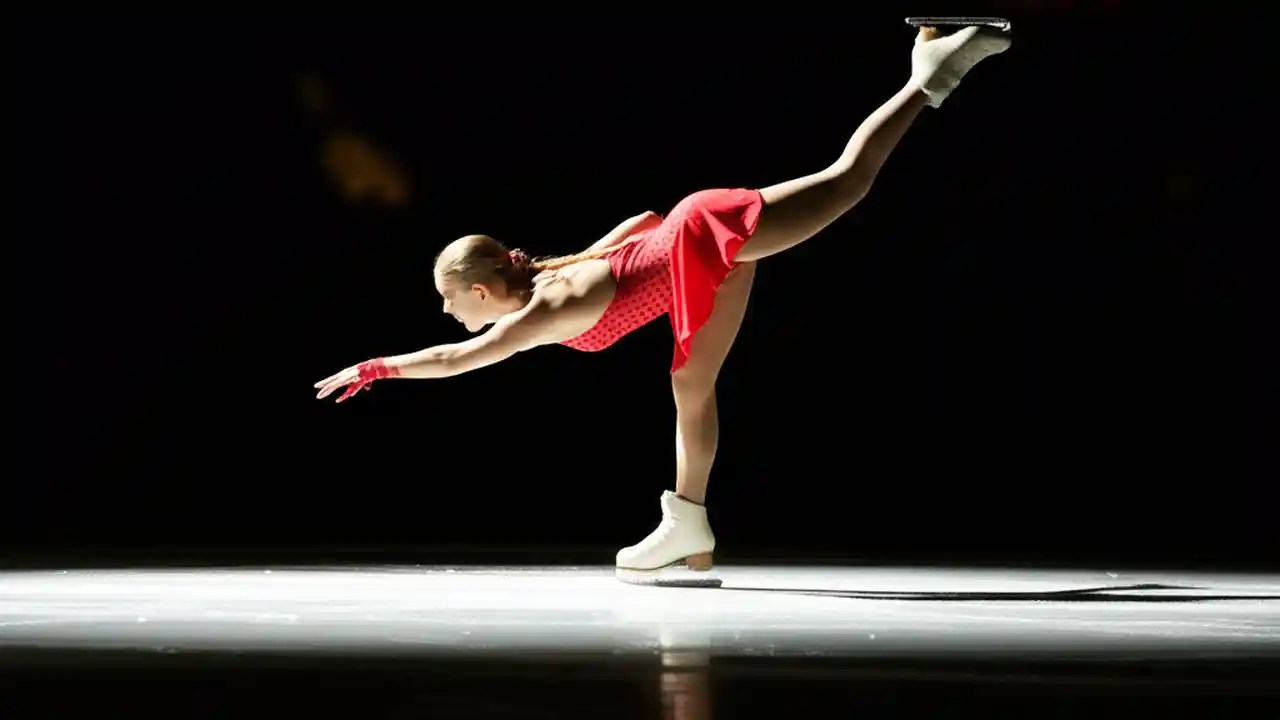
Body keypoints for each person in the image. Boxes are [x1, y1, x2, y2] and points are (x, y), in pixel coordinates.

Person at [315, 25, 1012, 579]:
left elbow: (457, 358)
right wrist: (653, 261)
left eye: (450, 302)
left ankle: (926, 78)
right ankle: (690, 529)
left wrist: (380, 367)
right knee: (691, 386)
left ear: (479, 290)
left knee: (848, 178)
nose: (450, 315)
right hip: (695, 256)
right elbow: (640, 223)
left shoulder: (540, 313)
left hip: (703, 238)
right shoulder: (559, 274)